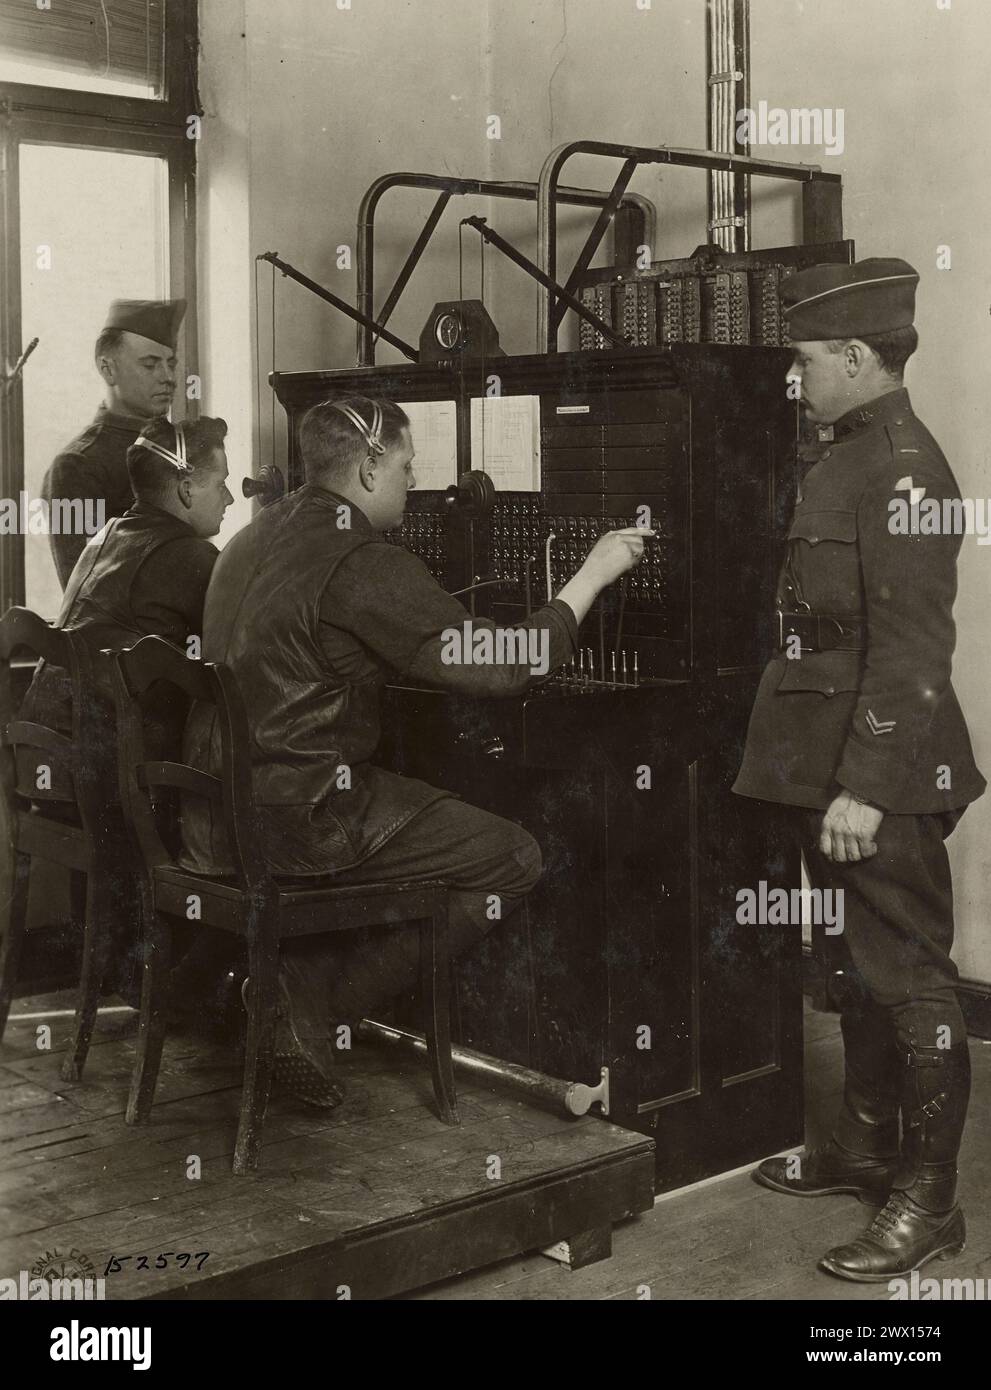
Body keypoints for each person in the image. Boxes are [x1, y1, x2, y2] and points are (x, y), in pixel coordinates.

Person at [180, 395, 652, 1107]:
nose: (413, 482)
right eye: (405, 466)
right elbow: (504, 664)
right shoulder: (361, 559)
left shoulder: (253, 535)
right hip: (297, 818)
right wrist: (590, 575)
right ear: (369, 468)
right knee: (512, 857)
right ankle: (309, 1004)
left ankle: (286, 989)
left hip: (211, 813)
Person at [733, 258, 985, 1281]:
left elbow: (918, 648)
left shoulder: (907, 468)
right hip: (818, 752)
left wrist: (868, 788)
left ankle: (928, 1203)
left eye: (803, 359)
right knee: (850, 968)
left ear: (852, 354)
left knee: (911, 981)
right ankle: (861, 1149)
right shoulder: (841, 454)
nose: (794, 377)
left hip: (881, 768)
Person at [23, 417, 232, 1003]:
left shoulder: (108, 534)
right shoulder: (192, 555)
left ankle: (160, 985)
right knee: (247, 802)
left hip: (53, 768)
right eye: (221, 482)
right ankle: (192, 993)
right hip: (107, 784)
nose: (231, 496)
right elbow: (235, 663)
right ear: (187, 487)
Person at [41, 299, 186, 589]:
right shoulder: (77, 465)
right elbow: (83, 593)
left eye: (171, 364)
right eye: (150, 364)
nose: (168, 378)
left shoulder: (179, 447)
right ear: (108, 369)